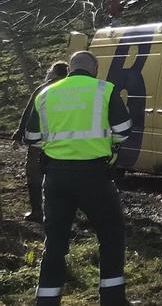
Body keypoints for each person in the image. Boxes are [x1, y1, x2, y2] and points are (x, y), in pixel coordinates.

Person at [23, 50, 132, 306]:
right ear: (95, 69)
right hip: (94, 175)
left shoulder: (46, 93)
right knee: (111, 235)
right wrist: (107, 143)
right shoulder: (104, 90)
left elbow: (32, 137)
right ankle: (112, 299)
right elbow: (124, 131)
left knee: (55, 243)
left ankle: (47, 300)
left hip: (56, 176)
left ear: (70, 68)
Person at [9, 61, 69, 223]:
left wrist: (19, 135)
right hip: (66, 143)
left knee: (34, 176)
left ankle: (37, 211)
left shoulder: (43, 89)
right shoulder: (73, 90)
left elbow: (29, 113)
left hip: (40, 142)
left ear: (53, 72)